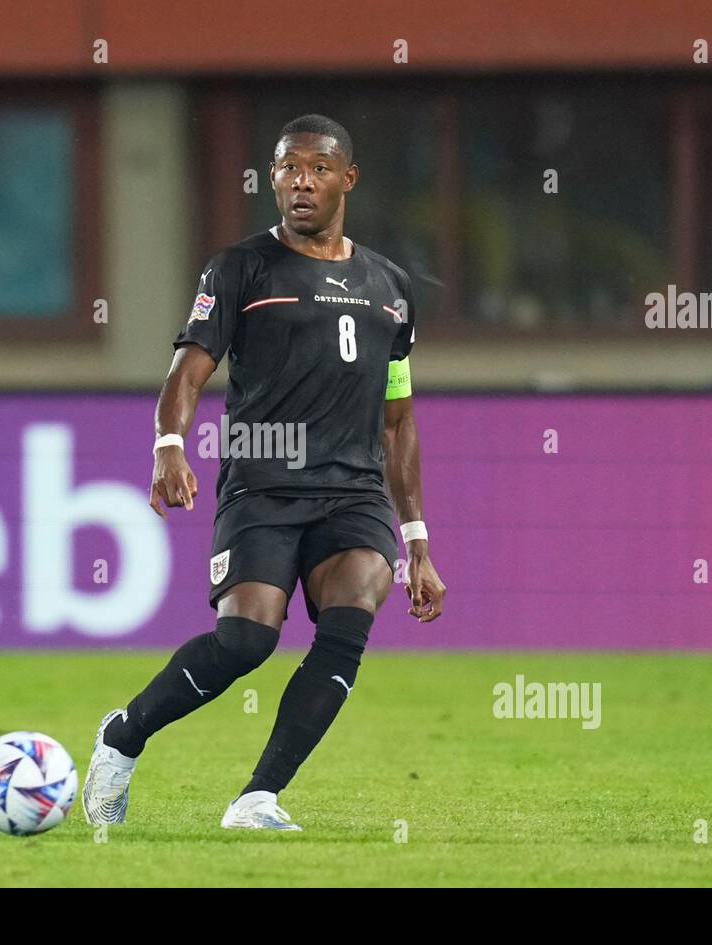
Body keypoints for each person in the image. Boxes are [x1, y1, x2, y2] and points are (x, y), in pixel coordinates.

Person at [81, 114, 447, 831]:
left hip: (353, 491)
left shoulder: (391, 289)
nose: (301, 180)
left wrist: (418, 540)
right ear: (272, 177)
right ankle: (123, 735)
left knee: (351, 616)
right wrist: (169, 446)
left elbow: (397, 418)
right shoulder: (239, 268)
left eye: (318, 167)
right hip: (263, 485)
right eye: (287, 167)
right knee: (248, 638)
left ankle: (258, 796)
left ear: (349, 178)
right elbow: (188, 371)